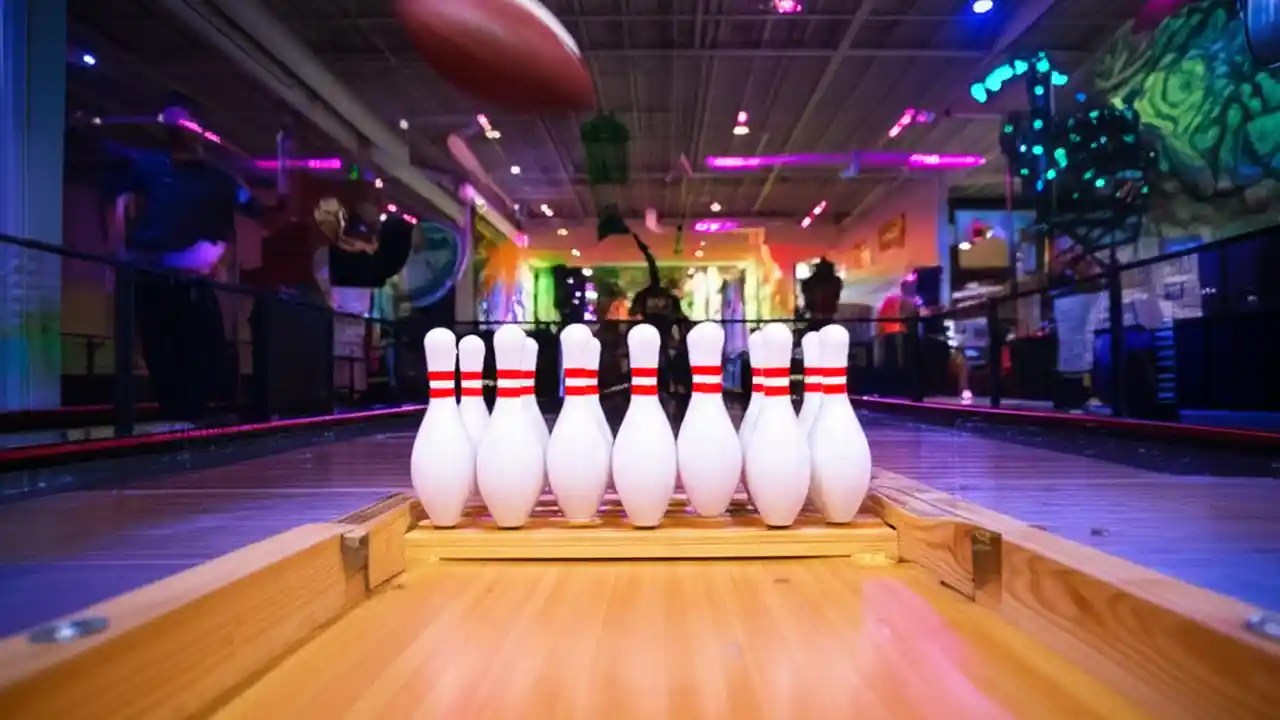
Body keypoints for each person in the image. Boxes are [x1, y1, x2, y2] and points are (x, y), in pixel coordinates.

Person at [112, 94, 265, 423]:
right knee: (165, 356)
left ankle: (192, 419)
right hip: (153, 276)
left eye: (187, 123)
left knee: (200, 355)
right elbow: (121, 208)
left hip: (190, 279)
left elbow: (258, 213)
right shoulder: (147, 167)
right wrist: (122, 254)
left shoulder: (217, 179)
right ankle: (179, 420)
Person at [1048, 237, 1104, 411]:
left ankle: (1087, 394)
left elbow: (1098, 281)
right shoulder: (1060, 276)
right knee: (1070, 356)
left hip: (1087, 320)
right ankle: (1070, 399)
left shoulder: (1090, 266)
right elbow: (1054, 272)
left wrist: (1080, 262)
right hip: (1067, 321)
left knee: (1083, 353)